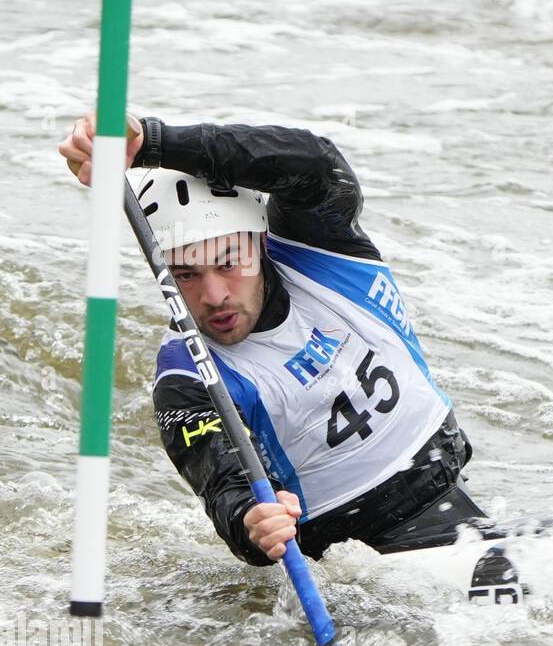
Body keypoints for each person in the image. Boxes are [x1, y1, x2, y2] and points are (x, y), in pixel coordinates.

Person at [59, 113, 496, 567]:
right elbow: (225, 489)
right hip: (362, 556)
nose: (214, 297)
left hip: (449, 488)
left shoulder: (324, 247)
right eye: (185, 275)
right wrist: (252, 524)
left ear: (261, 242)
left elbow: (312, 161)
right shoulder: (187, 379)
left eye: (229, 263)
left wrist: (151, 141)